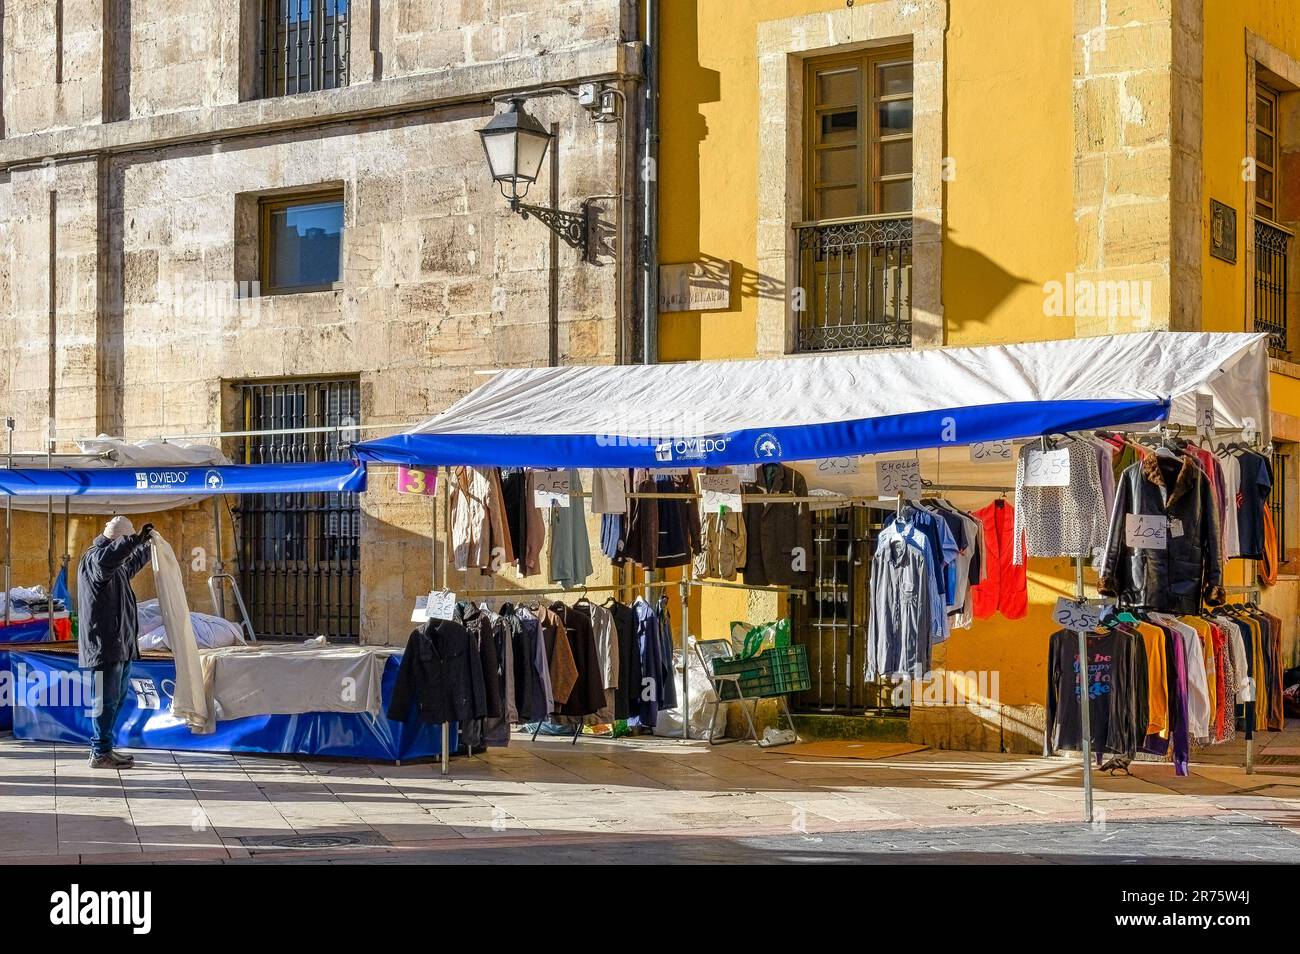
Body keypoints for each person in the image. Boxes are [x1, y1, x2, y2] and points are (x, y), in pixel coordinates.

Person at [78, 516, 154, 769]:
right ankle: (99, 752)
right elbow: (108, 560)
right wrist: (134, 542)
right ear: (118, 540)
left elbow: (128, 565)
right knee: (105, 700)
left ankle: (105, 748)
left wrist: (146, 547)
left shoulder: (115, 564)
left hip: (119, 644)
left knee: (117, 699)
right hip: (105, 645)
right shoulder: (95, 558)